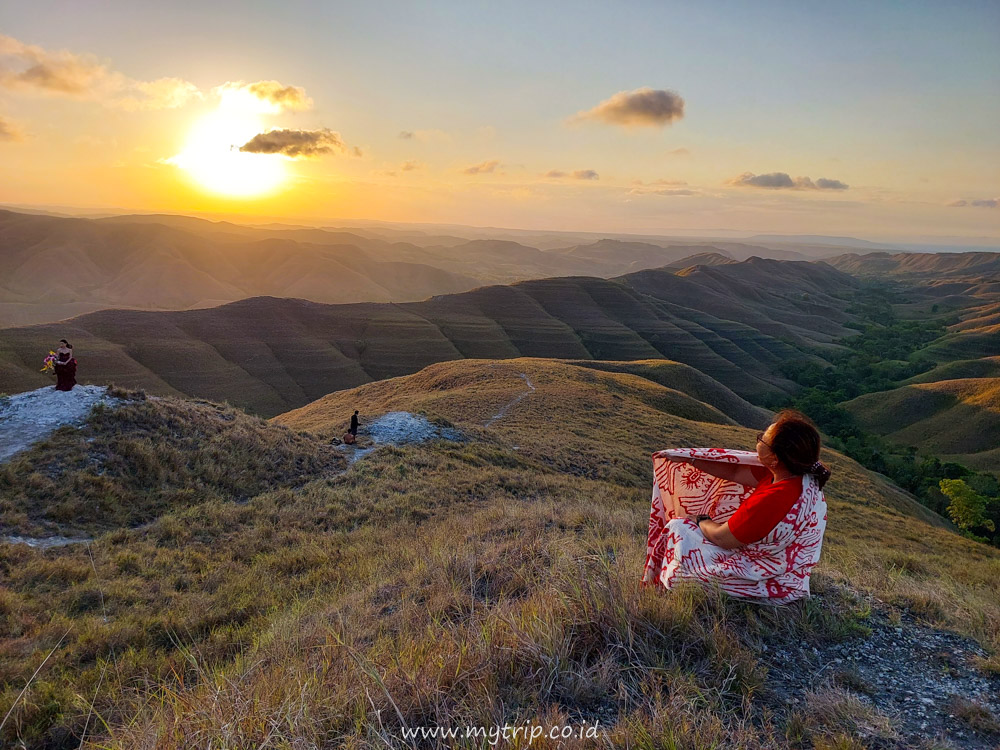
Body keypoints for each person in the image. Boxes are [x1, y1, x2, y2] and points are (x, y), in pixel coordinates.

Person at [641, 409, 832, 603]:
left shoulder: (774, 499)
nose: (757, 443)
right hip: (788, 572)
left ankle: (663, 587)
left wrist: (701, 520)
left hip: (762, 577)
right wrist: (690, 459)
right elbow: (734, 472)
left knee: (678, 528)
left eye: (761, 439)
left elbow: (722, 538)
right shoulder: (797, 477)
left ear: (775, 458)